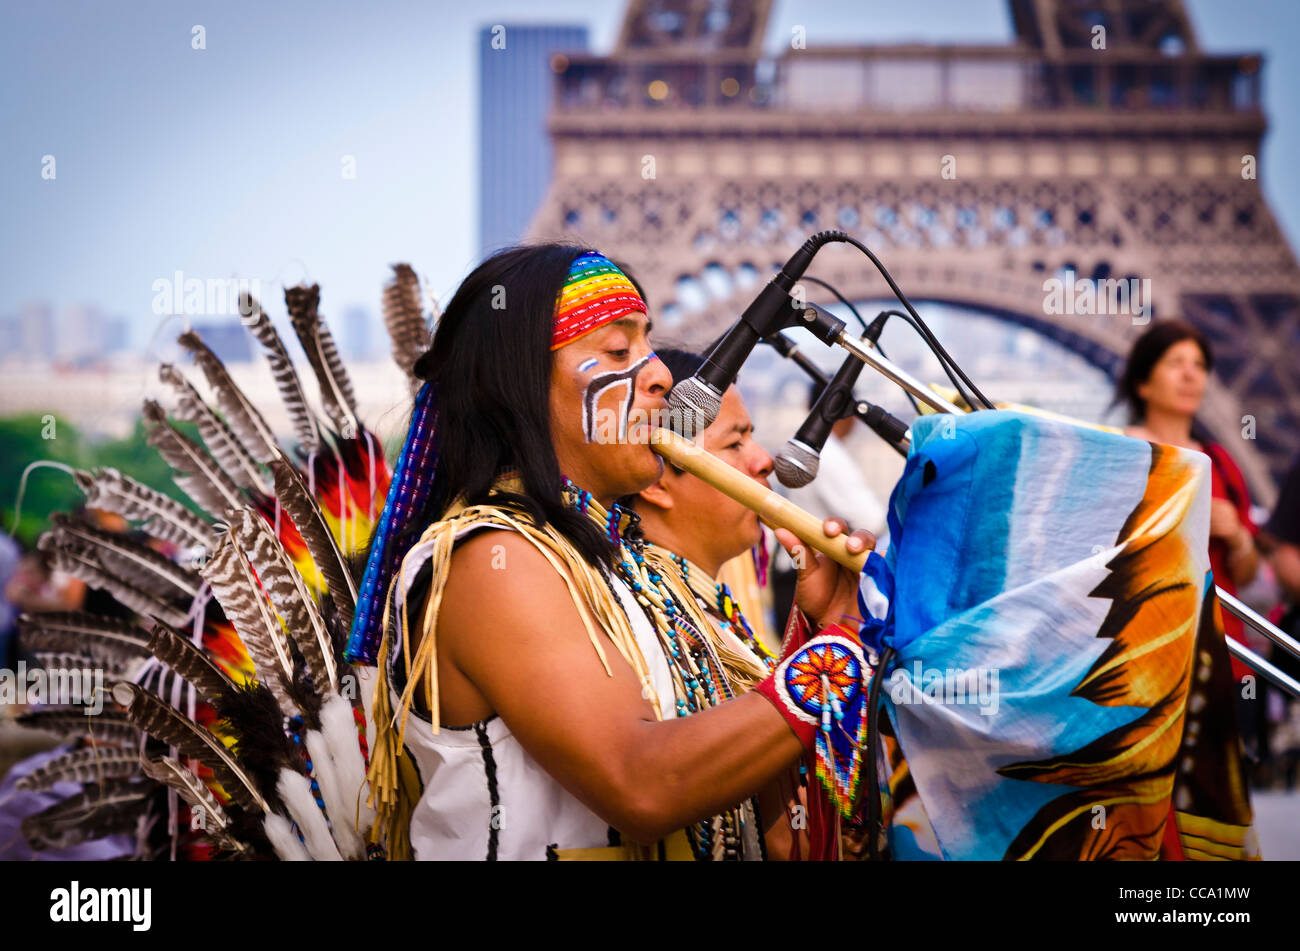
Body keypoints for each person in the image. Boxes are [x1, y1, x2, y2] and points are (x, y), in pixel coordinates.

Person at [351, 245, 875, 860]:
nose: (657, 376)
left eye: (647, 347)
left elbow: (770, 829)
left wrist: (819, 632)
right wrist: (836, 656)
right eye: (618, 352)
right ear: (521, 385)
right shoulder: (492, 557)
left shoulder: (630, 572)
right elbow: (643, 785)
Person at [1115, 319, 1263, 756]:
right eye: (1175, 362)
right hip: (1141, 658)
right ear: (1143, 383)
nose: (1190, 374)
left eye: (1199, 364)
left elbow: (1249, 575)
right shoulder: (1119, 454)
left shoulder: (1221, 462)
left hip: (1222, 658)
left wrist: (1238, 538)